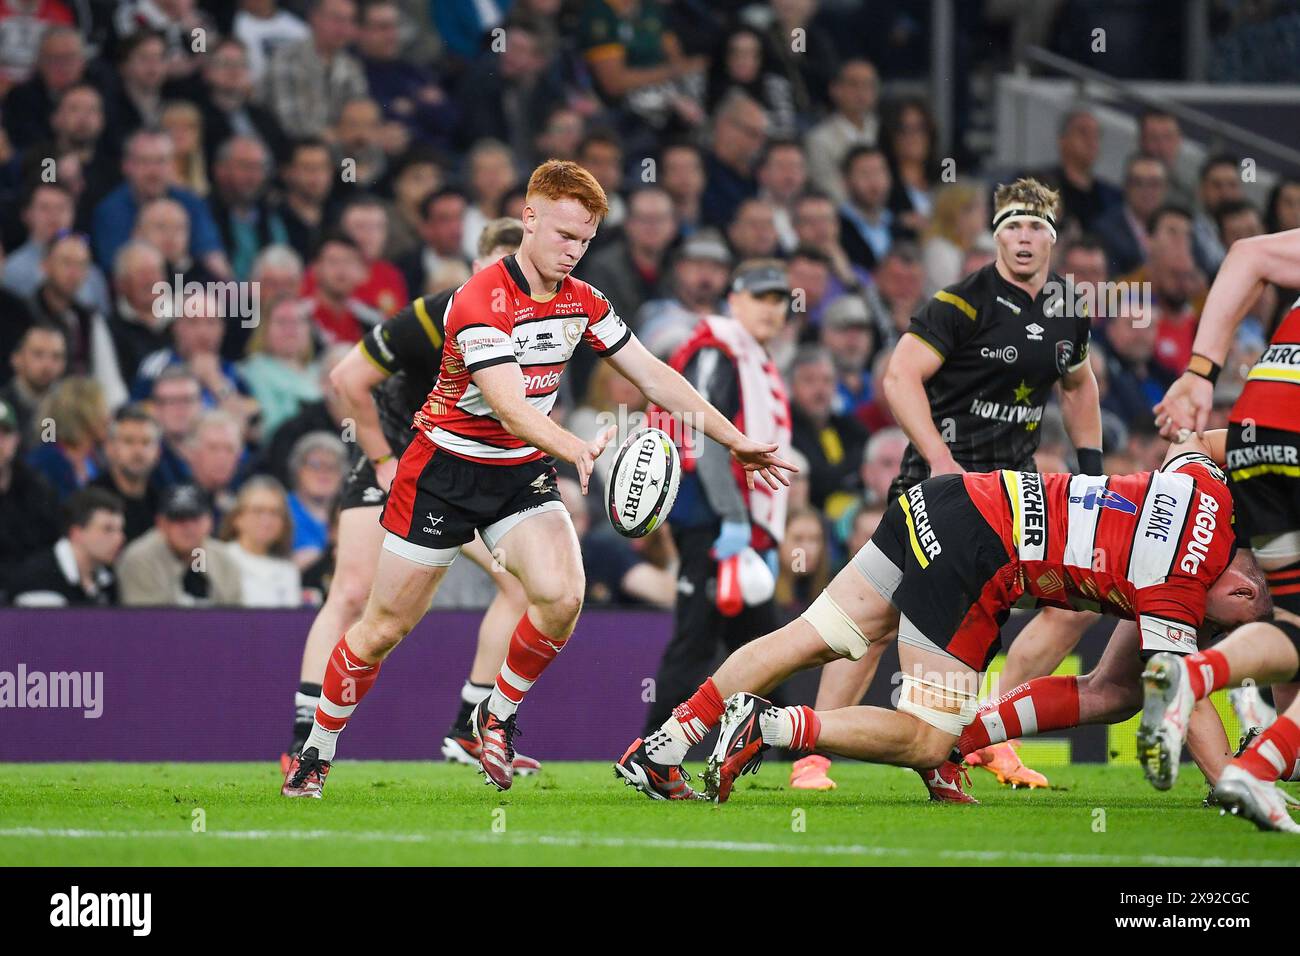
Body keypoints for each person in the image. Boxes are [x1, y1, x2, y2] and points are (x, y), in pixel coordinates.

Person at [282, 159, 794, 798]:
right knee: (383, 627)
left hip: (519, 475)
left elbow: (654, 374)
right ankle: (317, 748)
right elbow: (509, 405)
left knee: (562, 595)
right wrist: (577, 448)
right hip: (442, 471)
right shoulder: (477, 299)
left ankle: (492, 716)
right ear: (528, 219)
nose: (574, 252)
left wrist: (735, 438)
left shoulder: (584, 299)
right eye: (563, 235)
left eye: (585, 240)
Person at [617, 429, 1269, 804]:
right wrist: (1234, 783)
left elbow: (1203, 440)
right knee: (927, 734)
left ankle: (662, 747)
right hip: (977, 553)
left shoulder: (1205, 484)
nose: (1216, 632)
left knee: (809, 636)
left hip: (949, 496)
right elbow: (1187, 692)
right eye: (1232, 623)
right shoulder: (1178, 589)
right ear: (1239, 591)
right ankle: (776, 724)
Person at [800, 177, 1105, 794]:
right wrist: (940, 459)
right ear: (994, 235)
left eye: (1035, 227)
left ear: (1052, 237)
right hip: (941, 492)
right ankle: (815, 754)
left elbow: (1079, 386)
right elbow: (899, 377)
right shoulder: (961, 302)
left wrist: (1093, 471)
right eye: (1012, 226)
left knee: (1075, 601)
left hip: (1017, 498)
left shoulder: (1069, 310)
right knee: (879, 620)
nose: (1024, 237)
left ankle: (990, 734)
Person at [280, 218, 547, 771]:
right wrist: (381, 459)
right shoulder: (432, 315)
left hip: (466, 475)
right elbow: (348, 379)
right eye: (502, 267)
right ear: (478, 268)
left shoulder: (541, 324)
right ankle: (303, 736)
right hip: (398, 458)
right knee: (352, 592)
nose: (513, 282)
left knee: (521, 586)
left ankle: (468, 729)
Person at [1149, 226, 1300, 830]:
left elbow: (1247, 254)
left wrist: (1200, 374)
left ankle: (1192, 675)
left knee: (1293, 625)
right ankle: (1258, 763)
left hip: (1255, 430)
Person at [638, 259, 793, 742]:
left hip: (733, 521)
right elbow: (699, 433)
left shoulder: (747, 354)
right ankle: (652, 747)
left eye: (779, 300)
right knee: (700, 642)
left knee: (757, 644)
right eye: (760, 297)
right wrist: (732, 517)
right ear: (734, 301)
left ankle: (788, 750)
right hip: (712, 519)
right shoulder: (718, 350)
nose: (772, 309)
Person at [116, 483, 243, 606]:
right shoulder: (139, 560)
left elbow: (237, 619)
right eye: (178, 519)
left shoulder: (224, 559)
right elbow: (145, 622)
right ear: (161, 523)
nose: (188, 527)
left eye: (195, 518)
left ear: (209, 522)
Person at [7, 486, 125, 607]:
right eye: (108, 529)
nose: (120, 538)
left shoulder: (109, 578)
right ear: (76, 533)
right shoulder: (36, 579)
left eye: (120, 530)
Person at [0, 398, 61, 596]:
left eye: (5, 433)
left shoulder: (36, 486)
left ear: (16, 439)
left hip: (32, 590)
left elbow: (51, 543)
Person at [219, 475, 302, 607]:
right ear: (237, 518)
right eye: (258, 511)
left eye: (275, 512)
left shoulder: (288, 571)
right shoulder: (219, 558)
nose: (266, 521)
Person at [88, 404, 161, 542]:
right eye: (128, 441)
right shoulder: (91, 501)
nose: (138, 451)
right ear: (109, 448)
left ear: (158, 452)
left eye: (146, 442)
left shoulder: (161, 501)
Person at [1, 323, 66, 450]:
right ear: (16, 359)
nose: (47, 365)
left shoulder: (67, 408)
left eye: (56, 356)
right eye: (38, 354)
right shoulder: (3, 404)